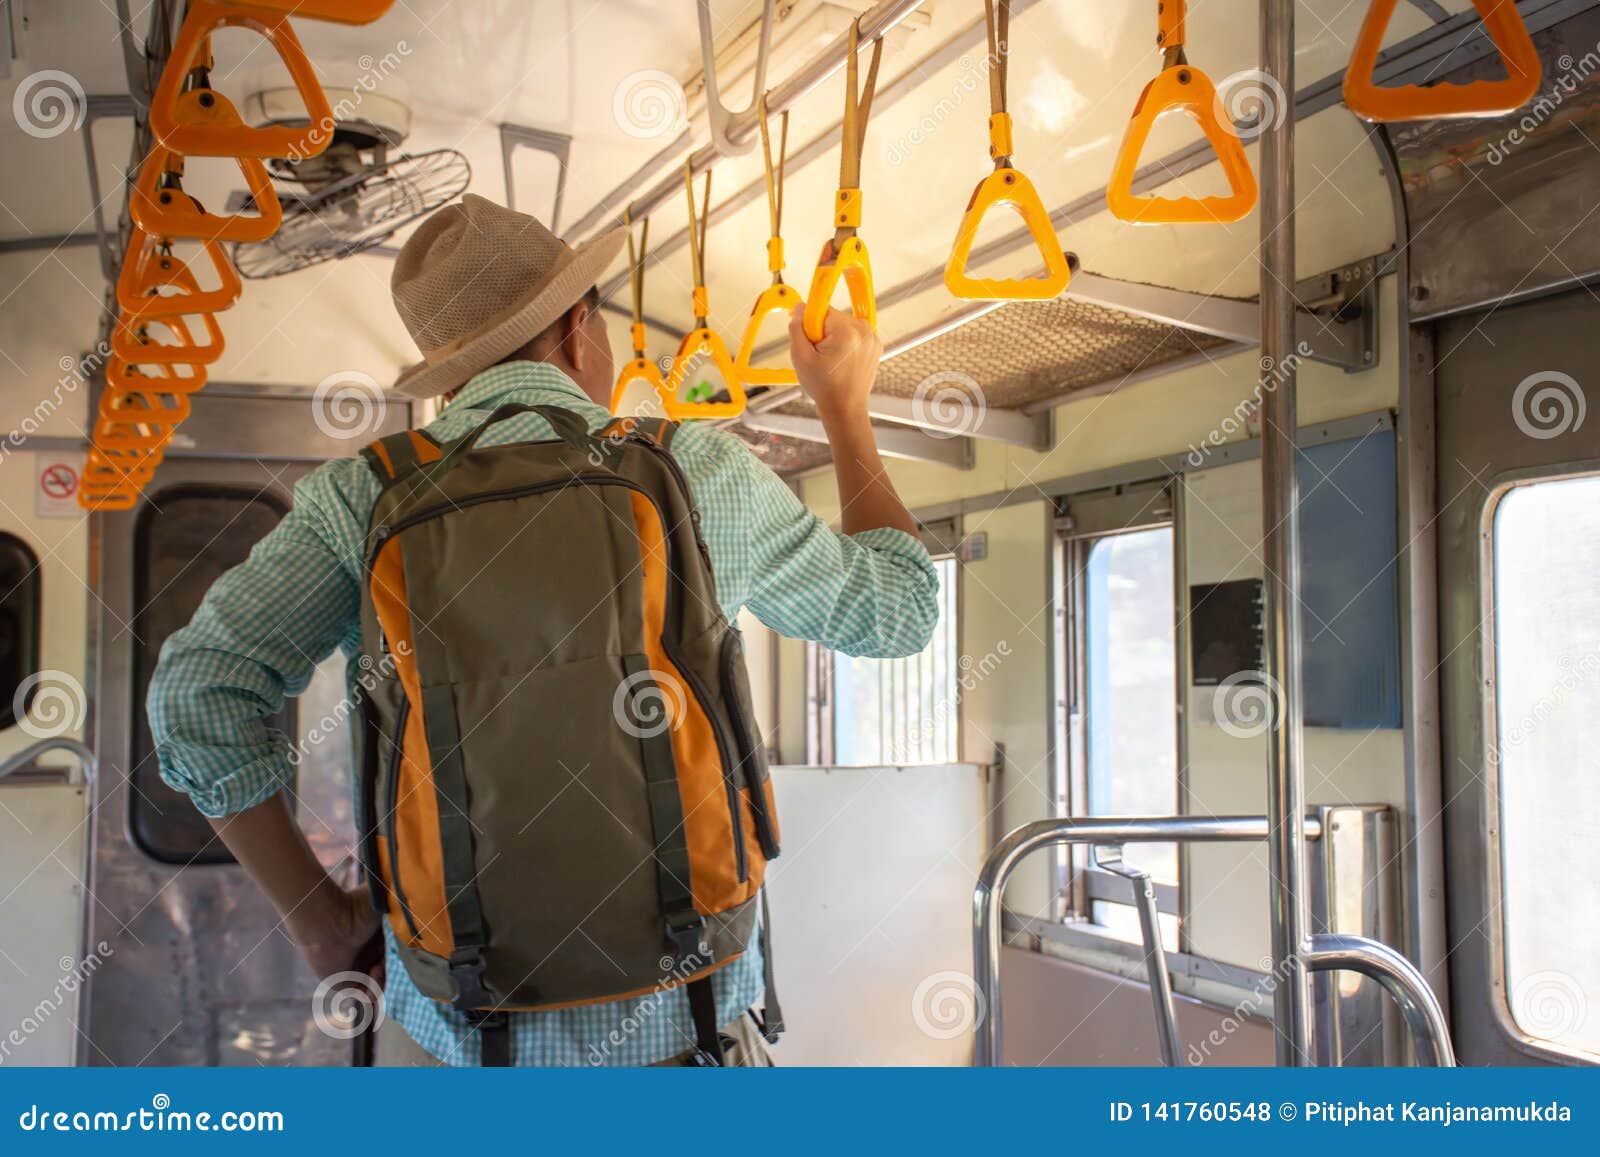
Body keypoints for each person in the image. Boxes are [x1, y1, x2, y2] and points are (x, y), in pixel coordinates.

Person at [147, 194, 940, 1067]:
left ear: (448, 376)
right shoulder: (696, 467)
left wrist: (323, 925)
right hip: (687, 1038)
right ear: (578, 328)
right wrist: (845, 407)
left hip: (451, 1047)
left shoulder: (362, 498)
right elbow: (896, 610)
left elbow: (197, 696)